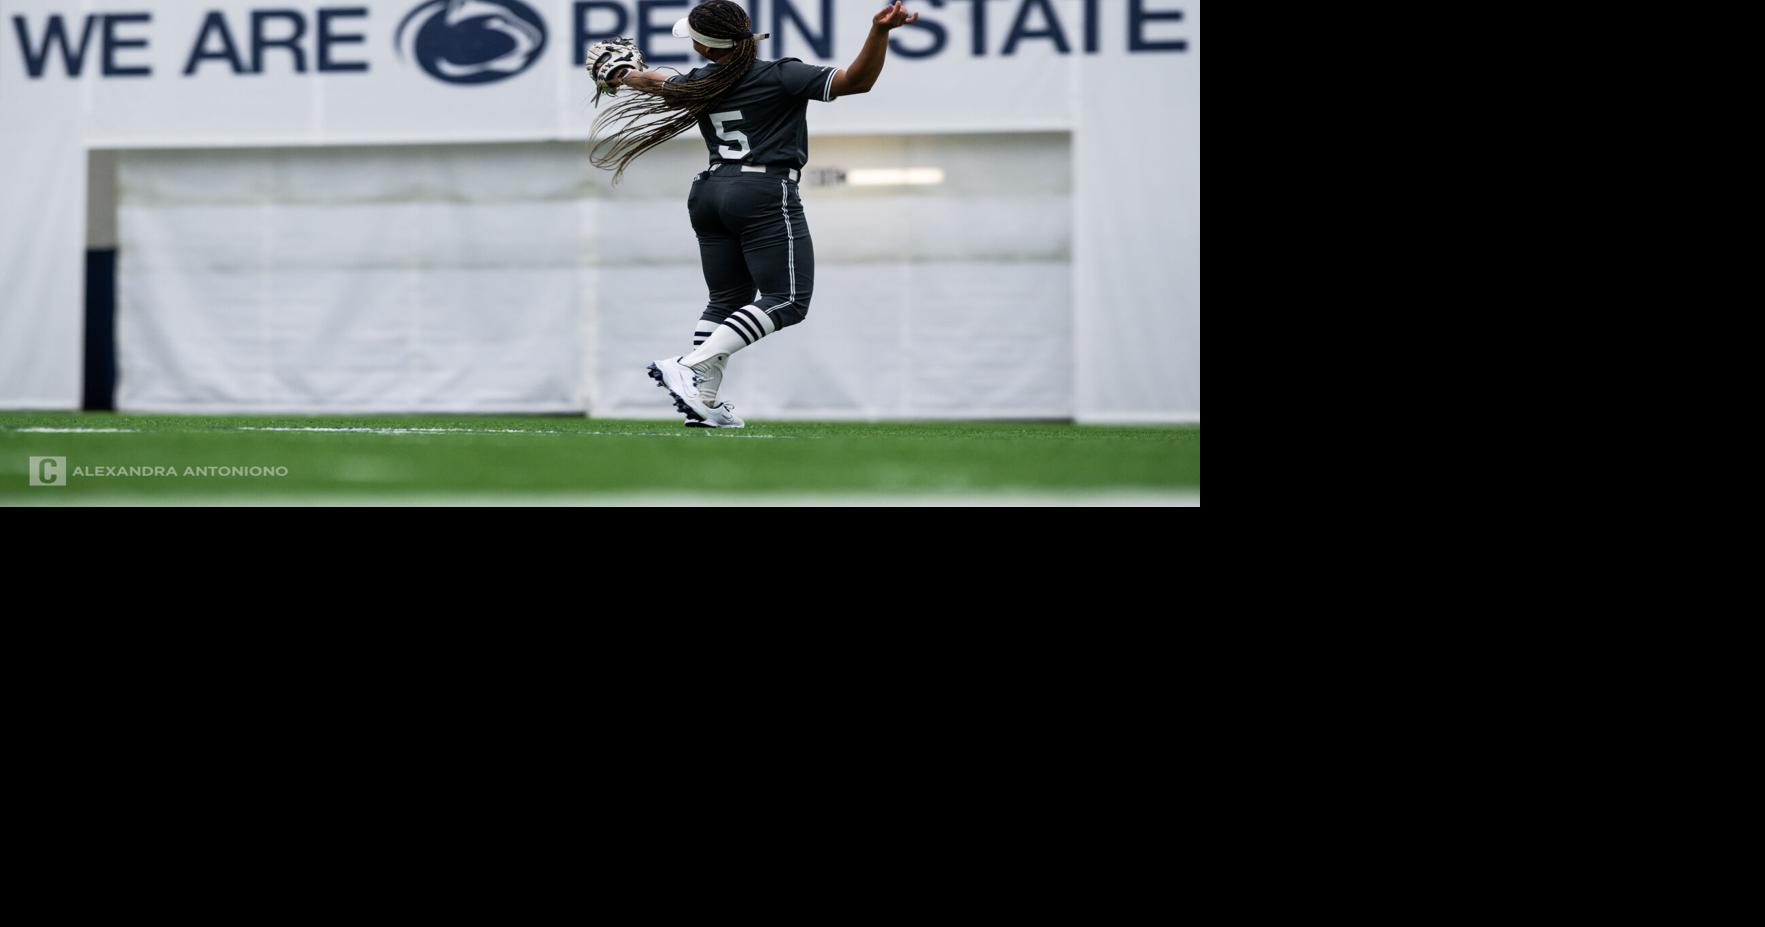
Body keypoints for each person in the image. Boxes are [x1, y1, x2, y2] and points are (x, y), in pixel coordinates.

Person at [586, 0, 919, 428]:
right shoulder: (780, 74)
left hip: (710, 191)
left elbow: (656, 80)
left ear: (705, 48)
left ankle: (704, 400)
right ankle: (688, 366)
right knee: (788, 300)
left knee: (726, 301)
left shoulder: (699, 83)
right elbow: (856, 82)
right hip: (761, 190)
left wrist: (622, 73)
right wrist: (880, 31)